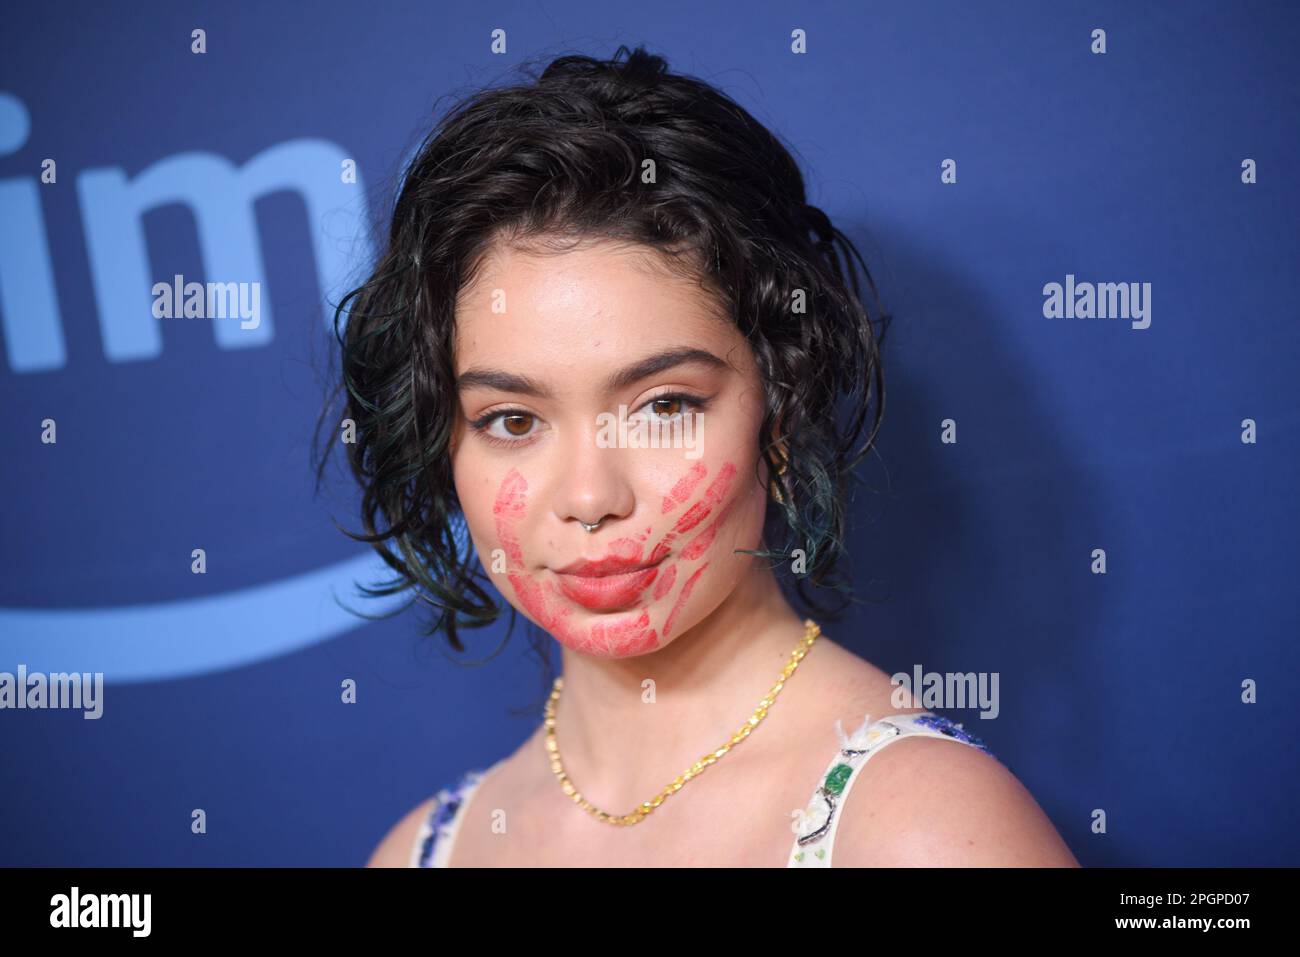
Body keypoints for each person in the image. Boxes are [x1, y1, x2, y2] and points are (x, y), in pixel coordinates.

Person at [326, 44, 1079, 867]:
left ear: (782, 403)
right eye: (511, 420)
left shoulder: (917, 827)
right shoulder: (422, 851)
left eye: (666, 406)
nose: (589, 495)